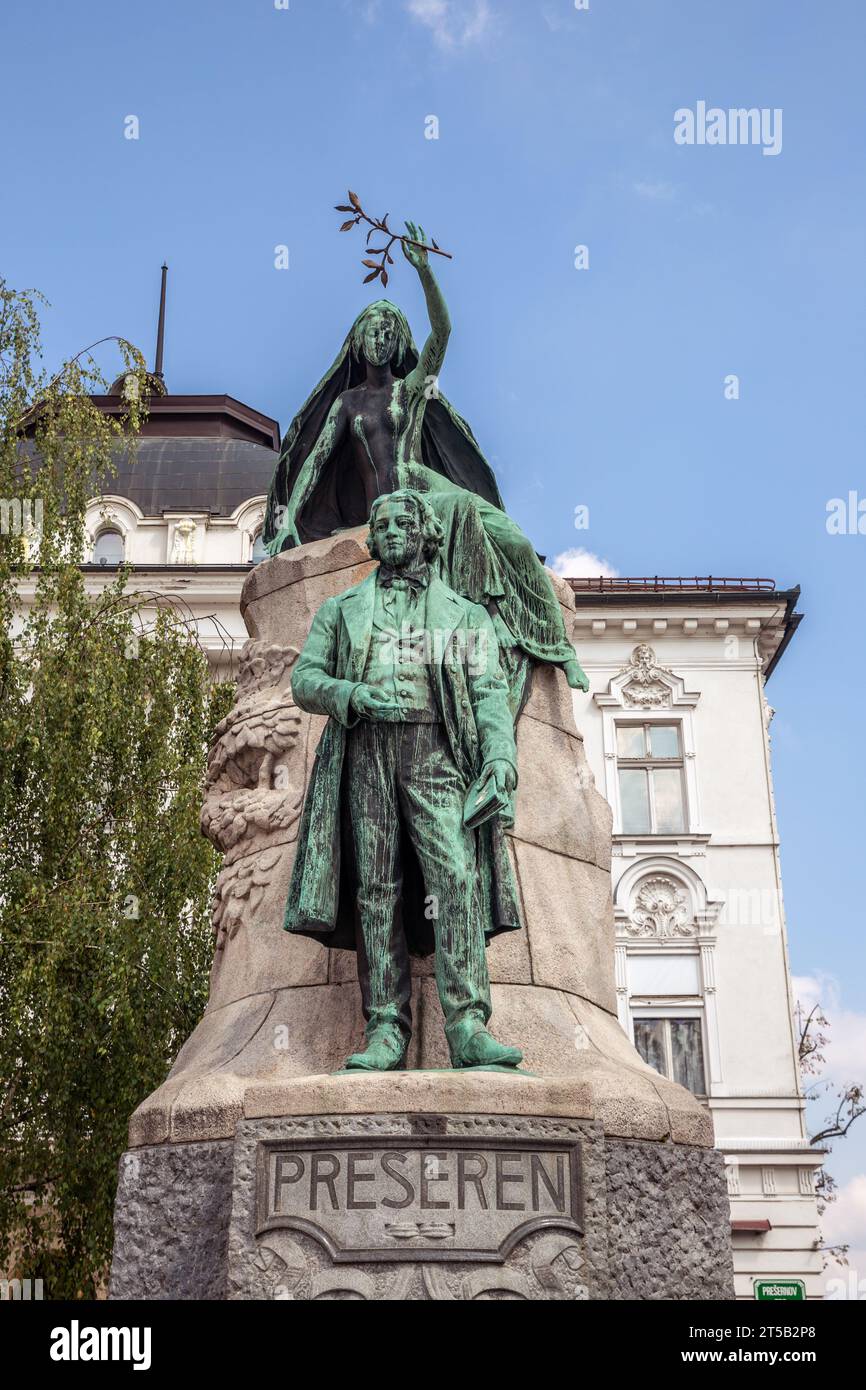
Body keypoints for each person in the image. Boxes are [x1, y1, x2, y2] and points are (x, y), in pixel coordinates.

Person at [263, 222, 589, 709]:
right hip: (393, 505)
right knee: (468, 528)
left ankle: (555, 646)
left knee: (516, 540)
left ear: (398, 342)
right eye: (372, 327)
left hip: (425, 487)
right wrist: (290, 519)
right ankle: (498, 621)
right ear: (357, 341)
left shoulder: (410, 389)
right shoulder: (347, 404)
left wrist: (425, 272)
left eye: (389, 328)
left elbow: (443, 332)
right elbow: (314, 463)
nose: (380, 335)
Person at [285, 488, 524, 1073]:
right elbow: (304, 680)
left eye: (402, 524)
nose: (391, 533)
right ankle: (386, 1025)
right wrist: (352, 693)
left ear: (426, 534)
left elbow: (490, 692)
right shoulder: (340, 610)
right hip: (366, 748)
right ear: (372, 538)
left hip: (435, 750)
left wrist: (500, 760)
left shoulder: (465, 615)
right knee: (376, 887)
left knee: (459, 876)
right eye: (382, 525)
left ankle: (467, 1024)